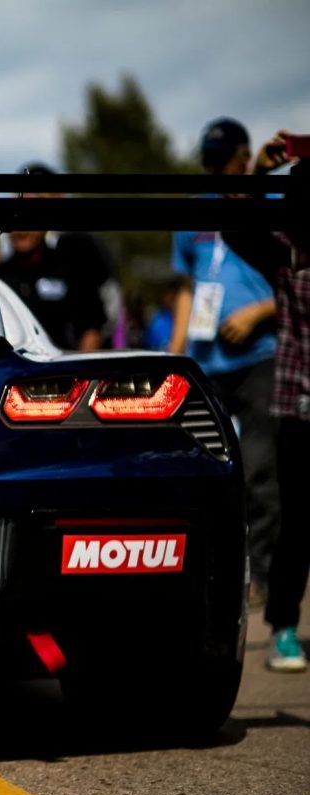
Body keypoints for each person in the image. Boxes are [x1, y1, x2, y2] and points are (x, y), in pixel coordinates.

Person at [168, 118, 280, 608]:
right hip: (205, 359)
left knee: (260, 470)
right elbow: (187, 289)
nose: (217, 171)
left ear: (244, 158)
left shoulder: (269, 207)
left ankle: (268, 579)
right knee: (197, 471)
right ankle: (206, 576)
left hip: (260, 355)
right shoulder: (192, 214)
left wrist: (259, 313)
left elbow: (298, 277)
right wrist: (172, 359)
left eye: (225, 162)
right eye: (210, 164)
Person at [219, 132, 307, 671]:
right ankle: (286, 627)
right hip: (299, 401)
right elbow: (236, 226)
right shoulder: (286, 251)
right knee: (298, 521)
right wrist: (258, 177)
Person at [0, 163, 117, 352]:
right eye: (16, 215)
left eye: (33, 213)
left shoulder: (76, 258)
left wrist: (80, 374)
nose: (22, 229)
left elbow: (93, 324)